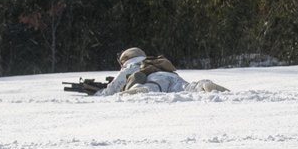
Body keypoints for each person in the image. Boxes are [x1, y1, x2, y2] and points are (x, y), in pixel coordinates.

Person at [95, 47, 229, 96]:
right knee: (188, 87)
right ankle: (204, 85)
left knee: (152, 88)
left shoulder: (132, 65)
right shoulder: (151, 61)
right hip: (171, 76)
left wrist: (100, 93)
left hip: (155, 79)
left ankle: (141, 90)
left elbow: (113, 88)